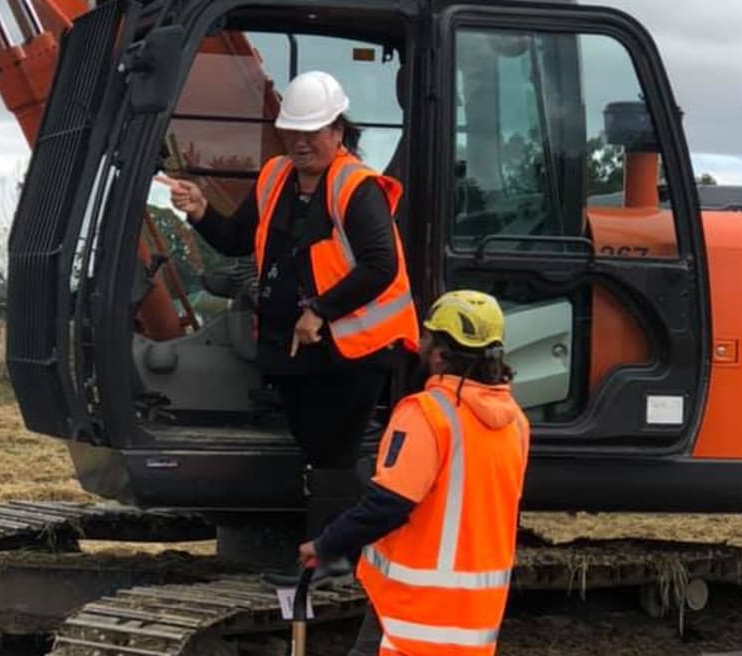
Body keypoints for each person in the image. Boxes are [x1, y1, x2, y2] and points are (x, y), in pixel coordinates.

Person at [167, 70, 420, 562]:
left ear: (337, 132)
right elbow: (238, 239)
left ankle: (332, 562)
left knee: (332, 456)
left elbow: (380, 265)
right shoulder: (275, 177)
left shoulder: (356, 188)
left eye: (313, 132)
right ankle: (319, 550)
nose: (301, 143)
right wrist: (199, 212)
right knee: (316, 451)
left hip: (351, 353)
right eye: (294, 132)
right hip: (296, 351)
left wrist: (320, 312)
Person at [298, 290, 531, 656]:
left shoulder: (428, 414)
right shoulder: (514, 421)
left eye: (426, 337)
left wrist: (326, 544)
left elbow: (388, 504)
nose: (418, 344)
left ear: (440, 355)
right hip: (472, 620)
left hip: (415, 613)